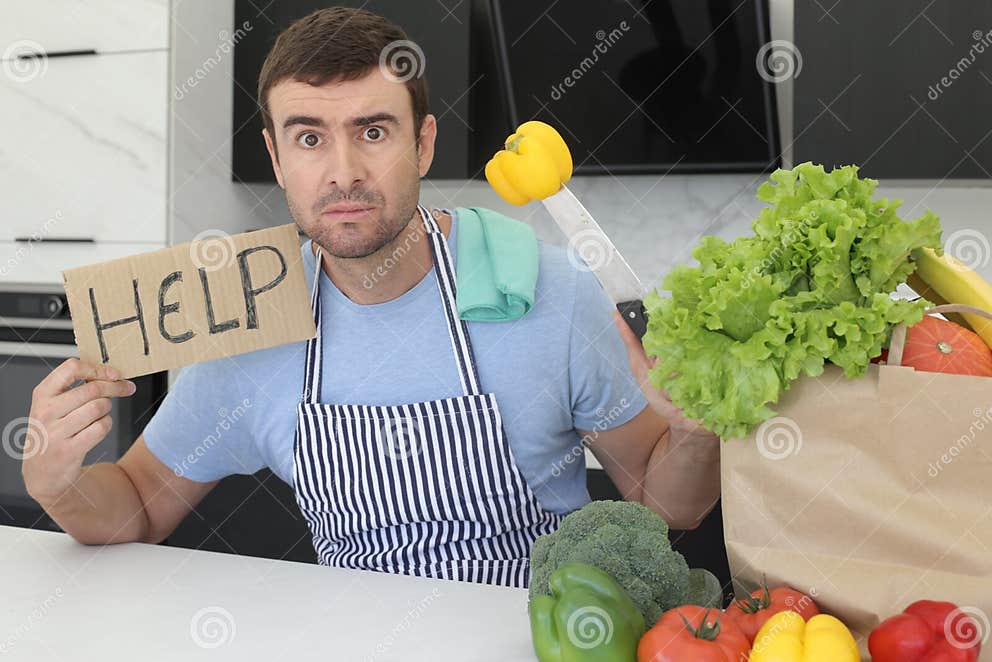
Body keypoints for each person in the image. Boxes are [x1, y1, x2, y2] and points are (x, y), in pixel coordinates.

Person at [23, 7, 720, 588]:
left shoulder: (553, 291)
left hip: (544, 637)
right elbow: (139, 506)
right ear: (276, 157)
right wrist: (57, 484)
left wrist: (694, 434)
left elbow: (668, 509)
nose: (343, 172)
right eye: (309, 138)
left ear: (422, 144)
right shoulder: (247, 320)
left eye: (373, 131)